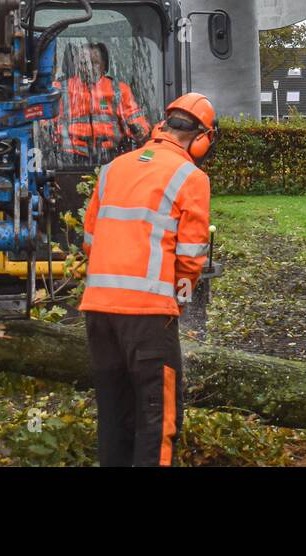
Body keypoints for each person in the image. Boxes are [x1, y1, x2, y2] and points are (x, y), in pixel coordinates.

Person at [80, 93, 218, 467]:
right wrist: (179, 299)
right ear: (202, 138)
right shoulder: (192, 177)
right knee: (158, 420)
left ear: (163, 125)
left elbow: (89, 241)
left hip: (97, 311)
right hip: (148, 316)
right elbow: (190, 259)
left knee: (114, 415)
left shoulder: (114, 168)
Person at [57, 42, 153, 160]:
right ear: (76, 65)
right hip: (70, 158)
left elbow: (135, 119)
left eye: (95, 63)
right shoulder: (60, 90)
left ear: (104, 66)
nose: (89, 67)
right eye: (84, 63)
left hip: (110, 155)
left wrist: (141, 131)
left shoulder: (119, 90)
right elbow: (47, 126)